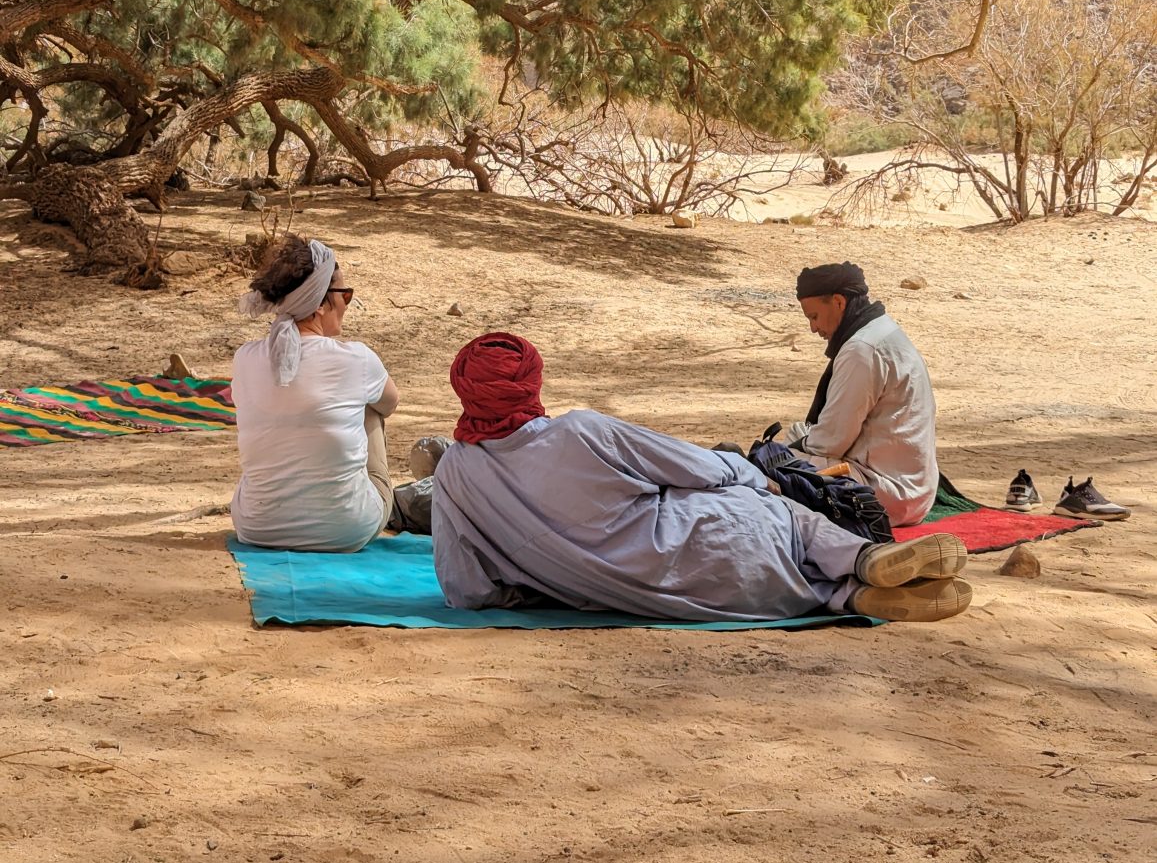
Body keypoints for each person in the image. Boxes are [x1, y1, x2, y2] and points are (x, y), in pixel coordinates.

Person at [431, 333, 971, 624]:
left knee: (787, 559)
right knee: (779, 513)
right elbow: (696, 466)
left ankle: (850, 598)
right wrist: (755, 476)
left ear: (465, 390)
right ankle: (864, 561)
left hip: (639, 598)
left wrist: (549, 586)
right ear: (532, 383)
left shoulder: (455, 470)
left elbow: (466, 588)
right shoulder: (581, 430)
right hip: (718, 549)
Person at [230, 234, 400, 551]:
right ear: (321, 304)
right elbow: (391, 404)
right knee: (371, 405)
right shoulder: (357, 359)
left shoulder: (244, 358)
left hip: (257, 527)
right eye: (345, 295)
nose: (348, 304)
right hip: (347, 529)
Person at [786, 262, 937, 528]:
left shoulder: (861, 350)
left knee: (776, 466)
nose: (812, 328)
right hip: (917, 490)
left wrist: (795, 447)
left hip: (883, 495)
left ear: (838, 302)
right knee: (795, 438)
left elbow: (831, 442)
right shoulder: (883, 328)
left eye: (814, 317)